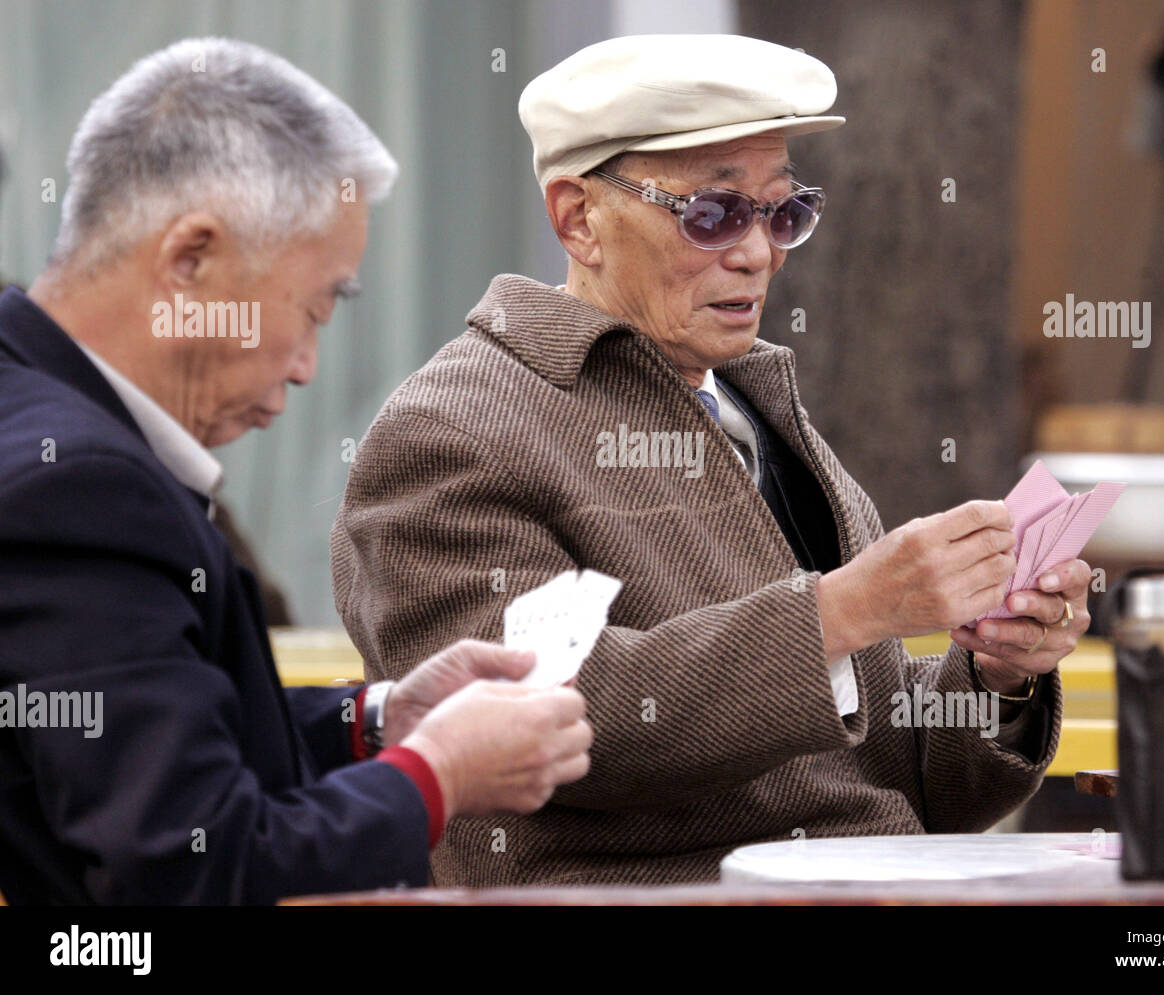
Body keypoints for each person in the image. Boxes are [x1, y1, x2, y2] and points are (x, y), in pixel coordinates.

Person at [331, 34, 1090, 887]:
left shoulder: (746, 398)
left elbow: (890, 781)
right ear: (577, 217)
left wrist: (995, 673)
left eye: (785, 212)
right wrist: (844, 608)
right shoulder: (452, 426)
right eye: (713, 214)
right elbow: (545, 723)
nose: (759, 253)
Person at [0, 37, 591, 905]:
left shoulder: (32, 402)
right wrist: (437, 776)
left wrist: (377, 721)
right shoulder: (79, 489)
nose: (310, 365)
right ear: (189, 261)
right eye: (315, 307)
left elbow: (147, 734)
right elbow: (195, 868)